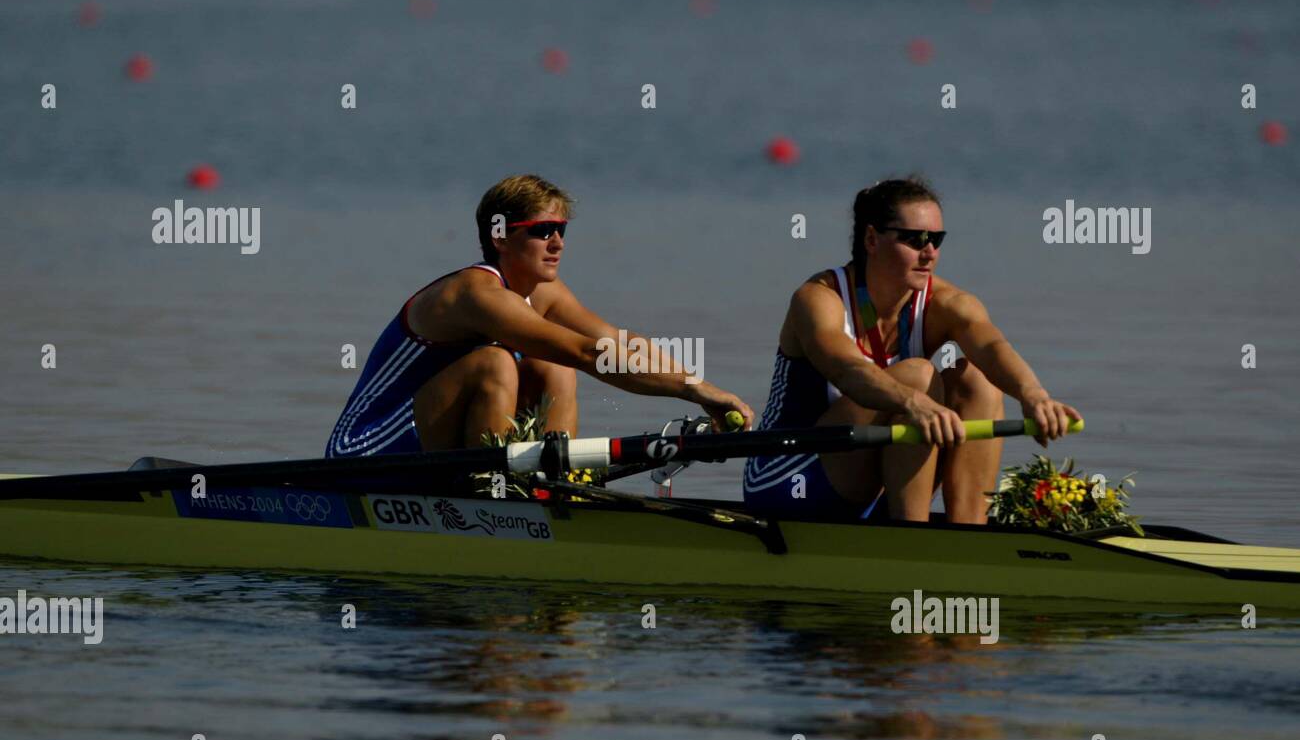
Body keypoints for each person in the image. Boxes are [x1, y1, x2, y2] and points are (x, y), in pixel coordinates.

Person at [326, 174, 753, 458]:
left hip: (427, 442)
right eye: (541, 231)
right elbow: (589, 354)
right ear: (501, 237)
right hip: (366, 450)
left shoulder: (543, 293)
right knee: (497, 364)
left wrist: (706, 388)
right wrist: (694, 393)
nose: (557, 243)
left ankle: (552, 484)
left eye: (561, 231)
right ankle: (488, 495)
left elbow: (619, 344)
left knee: (553, 367)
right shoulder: (476, 294)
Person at [743, 176, 1081, 523]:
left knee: (977, 380)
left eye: (936, 239)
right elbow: (847, 371)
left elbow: (991, 345)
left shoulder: (947, 302)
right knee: (918, 376)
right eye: (914, 239)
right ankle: (912, 537)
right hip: (789, 479)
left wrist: (1034, 396)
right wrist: (912, 401)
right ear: (871, 239)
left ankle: (967, 534)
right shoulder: (818, 300)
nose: (929, 251)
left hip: (870, 489)